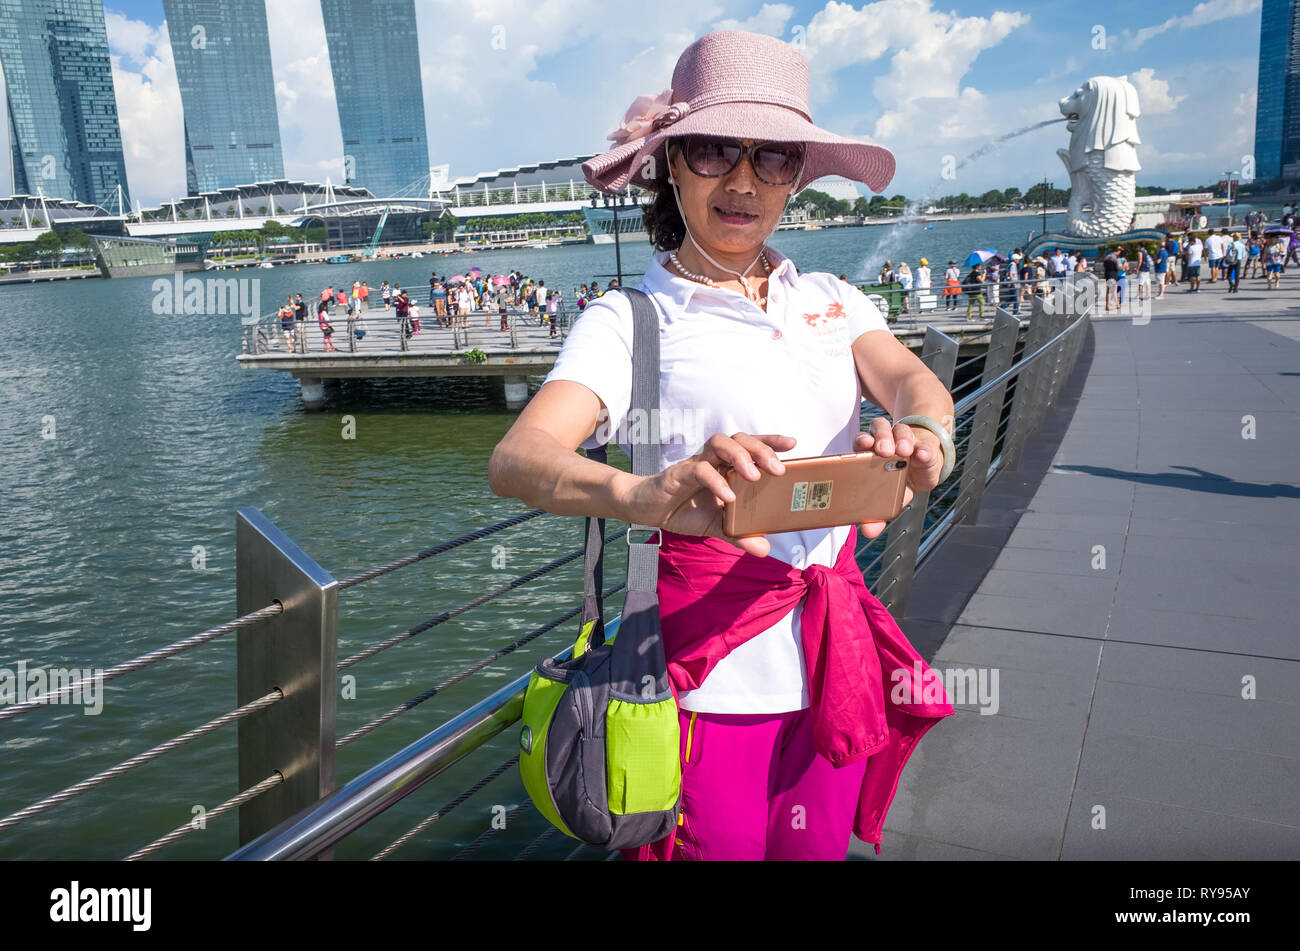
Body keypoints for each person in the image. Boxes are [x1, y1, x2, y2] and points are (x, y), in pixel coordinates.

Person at [489, 29, 955, 863]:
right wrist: (642, 494)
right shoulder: (629, 320)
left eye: (771, 158)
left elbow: (919, 387)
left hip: (830, 666)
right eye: (712, 152)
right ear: (671, 163)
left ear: (797, 176)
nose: (742, 182)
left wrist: (924, 440)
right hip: (696, 685)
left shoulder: (833, 300)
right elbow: (519, 458)